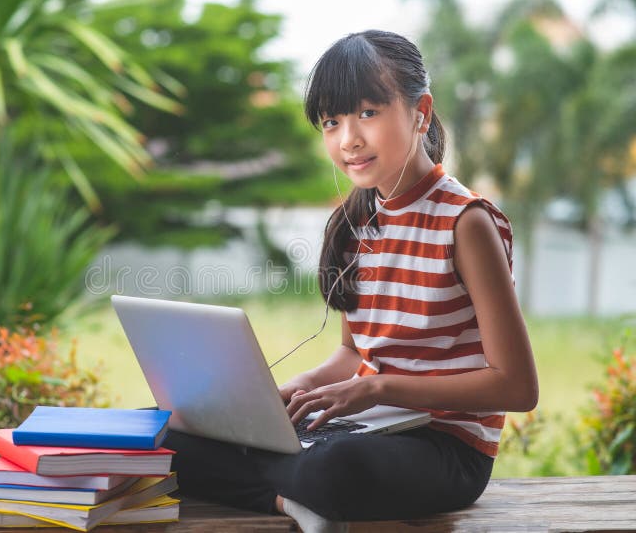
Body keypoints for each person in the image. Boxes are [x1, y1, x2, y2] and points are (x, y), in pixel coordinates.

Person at [163, 29, 538, 532]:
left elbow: (515, 387)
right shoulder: (354, 222)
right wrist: (296, 392)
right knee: (169, 432)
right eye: (331, 122)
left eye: (367, 113)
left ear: (420, 111)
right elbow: (352, 355)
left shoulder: (465, 222)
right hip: (366, 425)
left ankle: (301, 488)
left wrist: (377, 390)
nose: (348, 140)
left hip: (447, 448)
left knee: (332, 467)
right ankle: (292, 499)